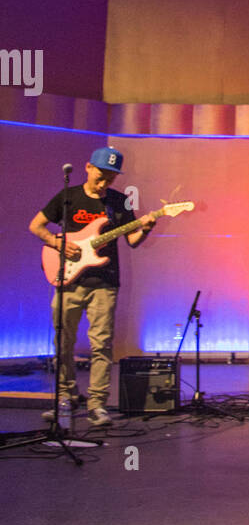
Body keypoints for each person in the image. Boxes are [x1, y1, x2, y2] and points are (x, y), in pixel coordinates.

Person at [28, 146, 157, 427]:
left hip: (105, 282)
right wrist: (57, 243)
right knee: (63, 341)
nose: (104, 183)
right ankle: (66, 396)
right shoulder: (68, 197)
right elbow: (36, 226)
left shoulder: (119, 202)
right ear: (88, 167)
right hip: (68, 279)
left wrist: (145, 228)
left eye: (110, 178)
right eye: (101, 176)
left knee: (102, 344)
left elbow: (132, 241)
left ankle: (97, 403)